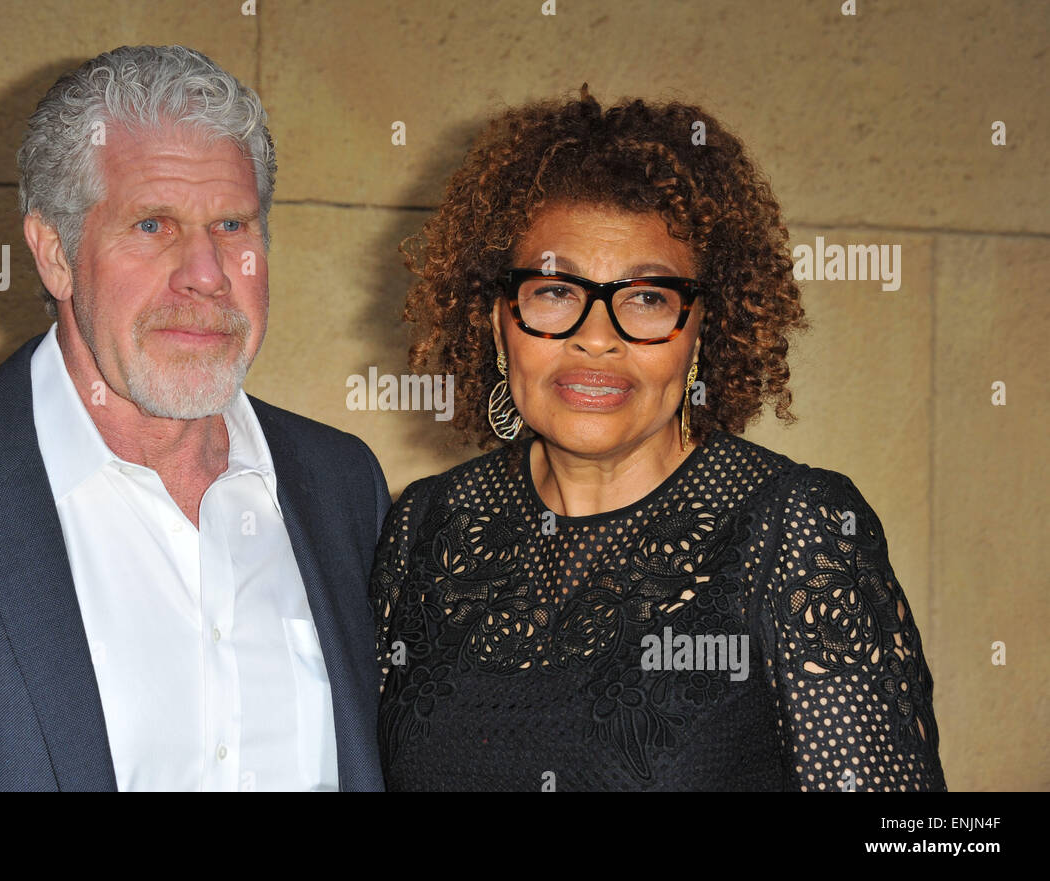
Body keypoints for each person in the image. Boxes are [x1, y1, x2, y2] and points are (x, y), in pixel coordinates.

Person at [0, 45, 387, 792]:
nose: (208, 275)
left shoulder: (345, 486)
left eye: (232, 226)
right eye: (153, 225)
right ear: (55, 254)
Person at [372, 89, 946, 791]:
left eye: (648, 299)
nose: (596, 338)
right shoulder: (423, 526)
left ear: (701, 330)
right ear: (498, 323)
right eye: (554, 292)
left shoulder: (793, 529)